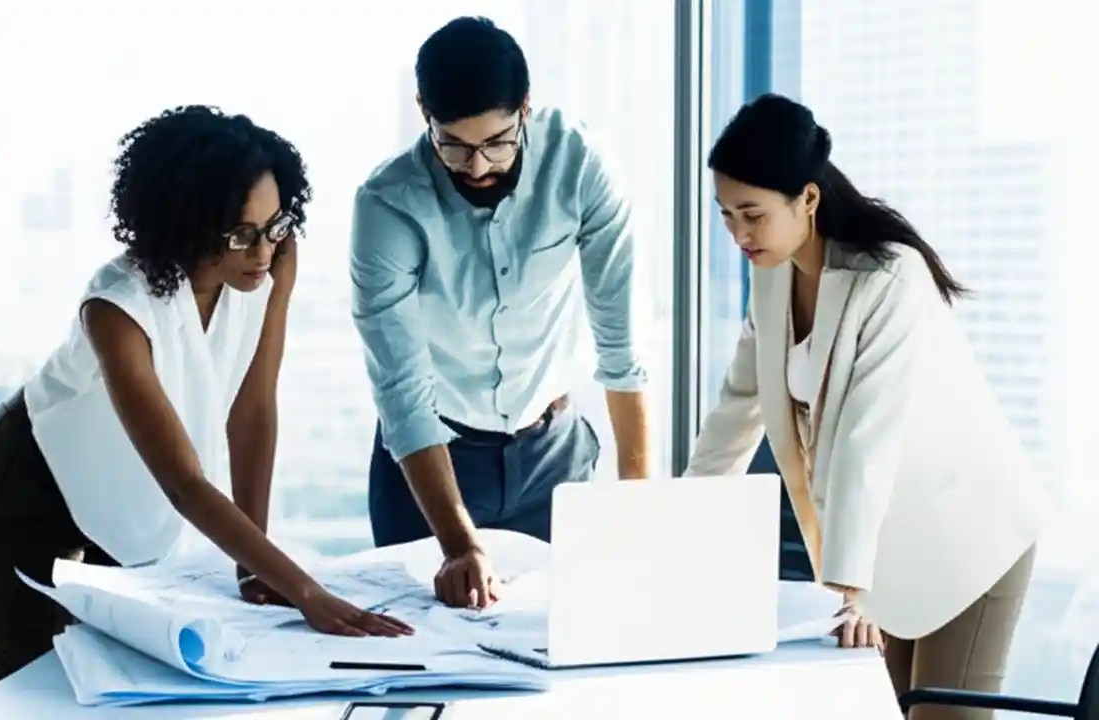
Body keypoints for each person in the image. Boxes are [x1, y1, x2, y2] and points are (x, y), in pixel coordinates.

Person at [0, 105, 410, 690]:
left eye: (273, 226)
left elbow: (252, 411)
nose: (264, 251)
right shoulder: (117, 307)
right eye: (241, 234)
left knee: (128, 685)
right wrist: (306, 592)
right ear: (187, 225)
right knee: (28, 692)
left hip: (128, 492)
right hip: (25, 490)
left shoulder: (270, 263)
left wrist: (254, 565)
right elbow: (185, 483)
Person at [686, 93, 1045, 716]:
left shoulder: (889, 277)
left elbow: (865, 440)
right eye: (725, 215)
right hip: (882, 544)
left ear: (808, 198)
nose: (738, 234)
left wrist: (846, 592)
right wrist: (674, 520)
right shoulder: (770, 274)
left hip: (964, 538)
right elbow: (736, 409)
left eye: (752, 213)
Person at [349, 16, 651, 611]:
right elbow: (402, 393)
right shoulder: (387, 205)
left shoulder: (581, 164)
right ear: (424, 113)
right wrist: (460, 544)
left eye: (497, 142)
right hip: (433, 464)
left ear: (526, 109)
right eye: (454, 145)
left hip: (554, 456)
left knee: (573, 641)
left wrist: (636, 508)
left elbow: (622, 349)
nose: (479, 166)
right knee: (426, 660)